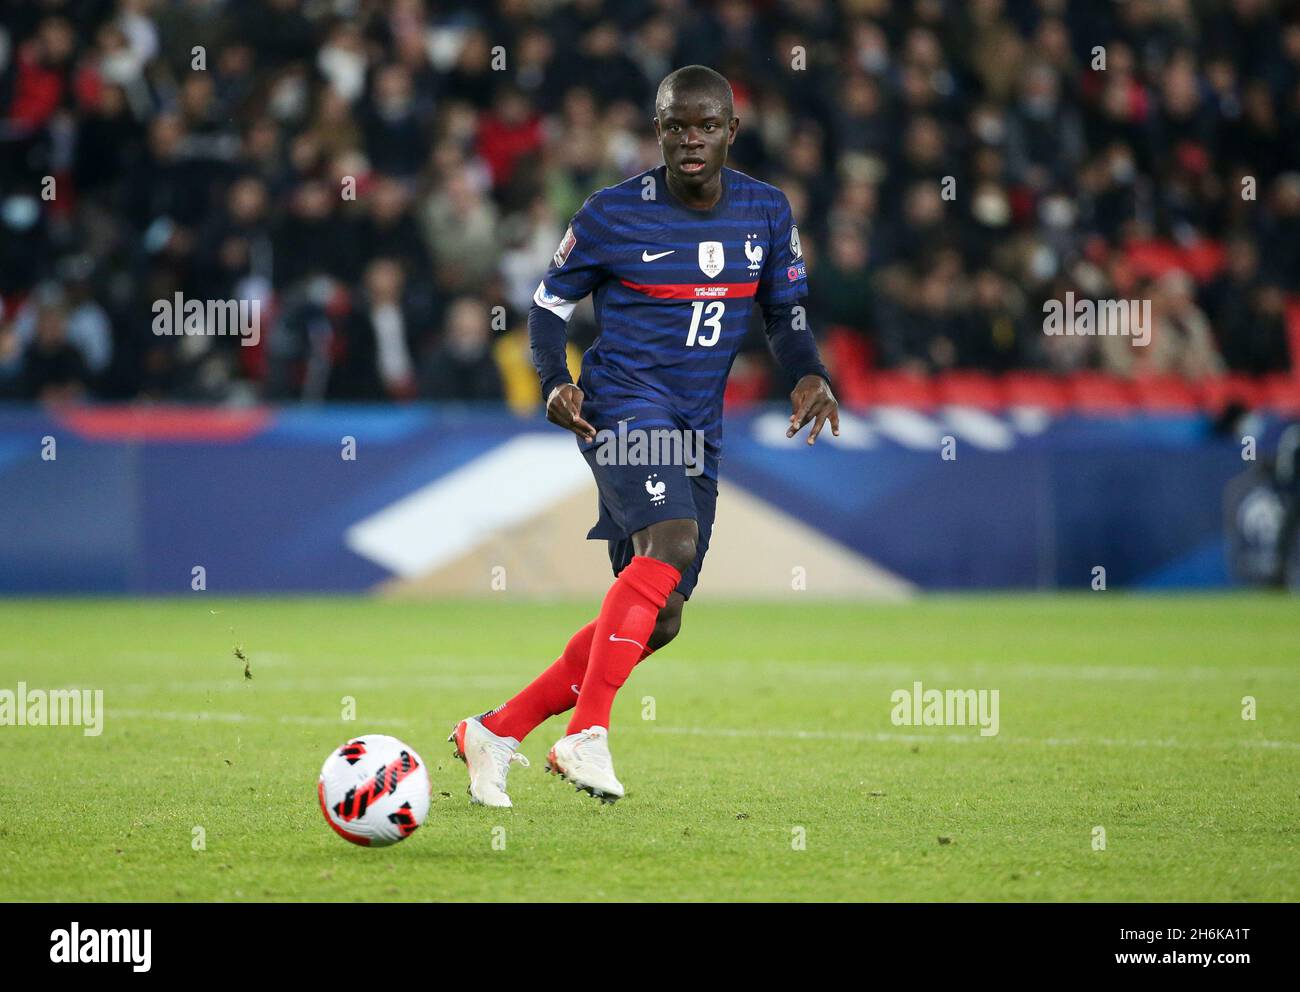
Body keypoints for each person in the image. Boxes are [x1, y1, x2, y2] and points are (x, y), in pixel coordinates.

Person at [449, 66, 838, 806]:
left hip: (700, 423)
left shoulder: (766, 210)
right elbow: (546, 308)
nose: (690, 139)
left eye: (705, 125)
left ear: (731, 130)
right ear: (656, 132)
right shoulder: (611, 214)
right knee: (674, 542)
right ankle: (585, 734)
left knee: (660, 617)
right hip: (622, 405)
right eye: (674, 126)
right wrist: (553, 379)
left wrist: (808, 374)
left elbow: (785, 314)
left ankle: (496, 730)